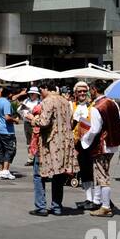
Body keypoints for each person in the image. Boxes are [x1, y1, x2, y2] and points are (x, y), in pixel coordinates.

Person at [29, 82, 78, 215]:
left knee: (39, 174)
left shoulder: (47, 101)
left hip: (49, 144)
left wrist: (32, 119)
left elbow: (44, 122)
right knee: (59, 175)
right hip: (65, 143)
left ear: (45, 89)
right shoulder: (66, 102)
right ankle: (56, 206)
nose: (41, 94)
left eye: (41, 91)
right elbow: (71, 122)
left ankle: (41, 207)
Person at [79, 81, 120, 217]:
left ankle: (105, 206)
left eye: (89, 90)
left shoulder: (97, 107)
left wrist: (85, 138)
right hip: (112, 143)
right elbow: (119, 120)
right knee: (100, 174)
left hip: (102, 145)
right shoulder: (113, 102)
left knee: (102, 175)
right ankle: (98, 201)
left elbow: (95, 129)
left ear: (93, 90)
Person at [72, 82, 96, 206]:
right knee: (84, 170)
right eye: (79, 91)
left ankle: (97, 199)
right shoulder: (72, 106)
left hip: (93, 142)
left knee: (95, 170)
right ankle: (89, 198)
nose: (82, 93)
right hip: (79, 143)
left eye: (84, 91)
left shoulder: (93, 106)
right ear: (75, 93)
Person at [0, 84, 19, 178]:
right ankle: (6, 170)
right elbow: (7, 117)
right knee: (10, 150)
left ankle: (1, 170)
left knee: (1, 150)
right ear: (10, 94)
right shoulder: (6, 103)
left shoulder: (0, 101)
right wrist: (15, 120)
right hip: (6, 131)